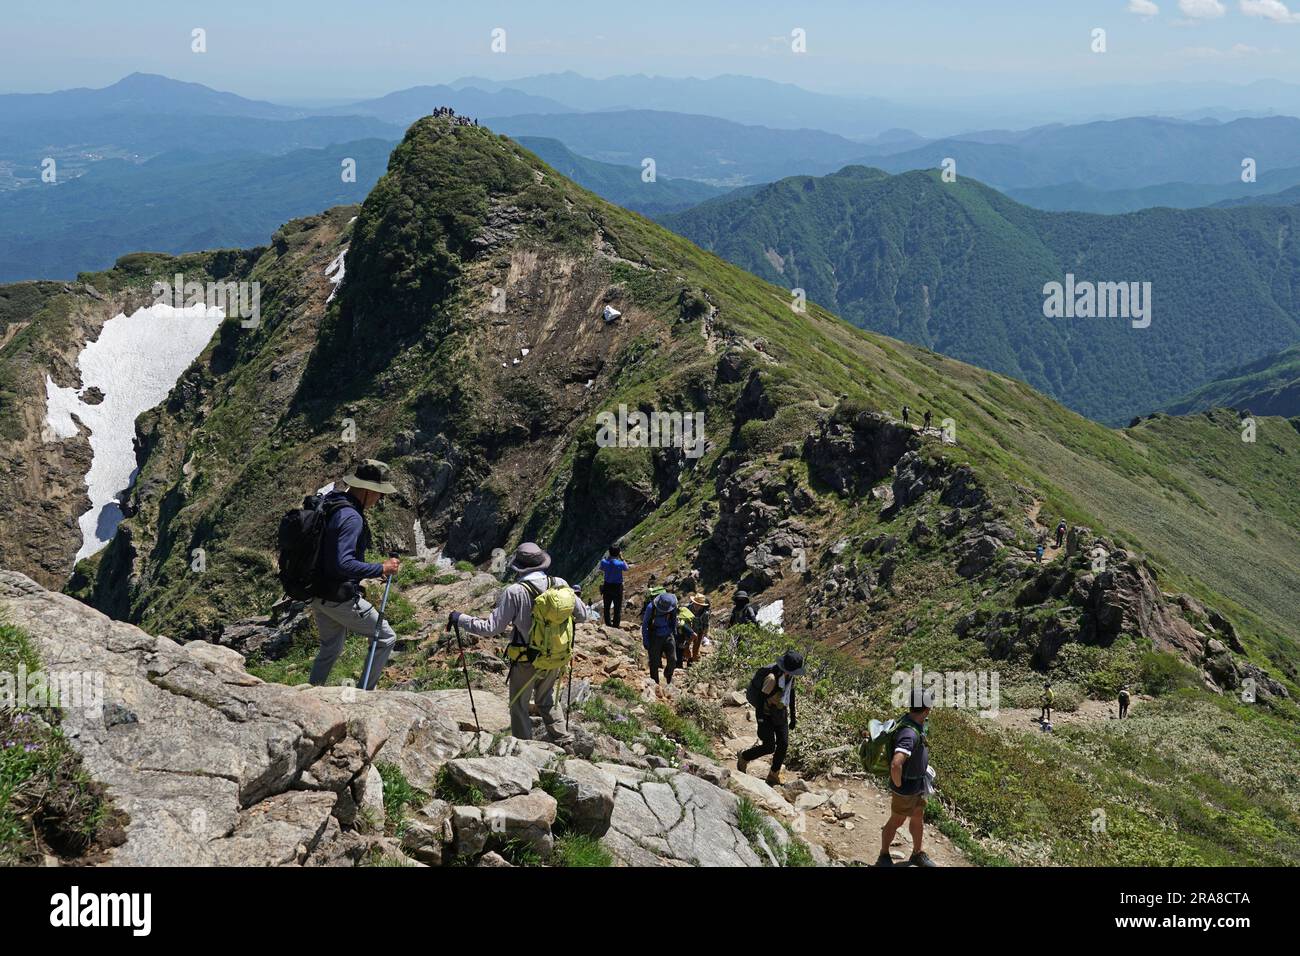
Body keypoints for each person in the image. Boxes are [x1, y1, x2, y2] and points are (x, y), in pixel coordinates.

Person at [449, 543, 590, 743]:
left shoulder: (514, 591)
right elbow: (583, 615)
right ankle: (562, 739)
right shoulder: (560, 583)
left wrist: (461, 618)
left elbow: (491, 628)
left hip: (526, 658)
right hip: (555, 654)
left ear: (519, 566)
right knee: (547, 699)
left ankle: (524, 747)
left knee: (519, 705)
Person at [308, 460, 401, 690]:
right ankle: (364, 694)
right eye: (380, 495)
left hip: (317, 591)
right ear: (369, 491)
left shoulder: (332, 502)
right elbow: (344, 563)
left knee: (331, 647)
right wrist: (381, 568)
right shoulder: (352, 517)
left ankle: (311, 692)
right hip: (337, 596)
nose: (380, 500)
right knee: (386, 637)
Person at [877, 688, 936, 867]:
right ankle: (884, 855)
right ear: (926, 710)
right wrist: (899, 784)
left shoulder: (913, 722)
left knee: (918, 815)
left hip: (917, 784)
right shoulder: (909, 734)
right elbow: (896, 764)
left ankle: (917, 853)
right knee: (897, 819)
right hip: (906, 787)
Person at [738, 650, 804, 786]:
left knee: (783, 744)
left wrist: (793, 716)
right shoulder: (772, 678)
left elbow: (791, 695)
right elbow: (761, 700)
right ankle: (744, 757)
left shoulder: (790, 677)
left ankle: (773, 774)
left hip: (780, 712)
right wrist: (761, 720)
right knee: (769, 747)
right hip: (767, 714)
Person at [642, 591, 679, 685]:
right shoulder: (651, 607)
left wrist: (674, 633)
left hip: (668, 635)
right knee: (654, 662)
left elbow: (674, 619)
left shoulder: (673, 606)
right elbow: (645, 624)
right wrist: (646, 640)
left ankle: (668, 675)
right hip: (654, 635)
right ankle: (655, 683)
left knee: (673, 659)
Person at [599, 546, 628, 627]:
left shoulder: (604, 562)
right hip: (617, 587)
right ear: (618, 553)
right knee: (617, 607)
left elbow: (601, 568)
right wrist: (622, 558)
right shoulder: (620, 563)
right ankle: (615, 625)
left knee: (607, 607)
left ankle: (608, 624)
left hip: (607, 586)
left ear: (609, 552)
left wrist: (608, 558)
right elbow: (627, 568)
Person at [685, 593, 711, 663]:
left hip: (699, 631)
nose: (696, 606)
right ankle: (689, 658)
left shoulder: (705, 613)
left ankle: (693, 662)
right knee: (685, 646)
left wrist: (705, 635)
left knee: (695, 648)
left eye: (699, 605)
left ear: (702, 606)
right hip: (689, 630)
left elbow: (706, 625)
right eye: (695, 603)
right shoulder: (687, 608)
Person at [675, 604, 697, 668]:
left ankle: (686, 666)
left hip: (682, 641)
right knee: (682, 652)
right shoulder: (680, 623)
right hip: (681, 640)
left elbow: (694, 635)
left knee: (682, 652)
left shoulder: (683, 624)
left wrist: (687, 643)